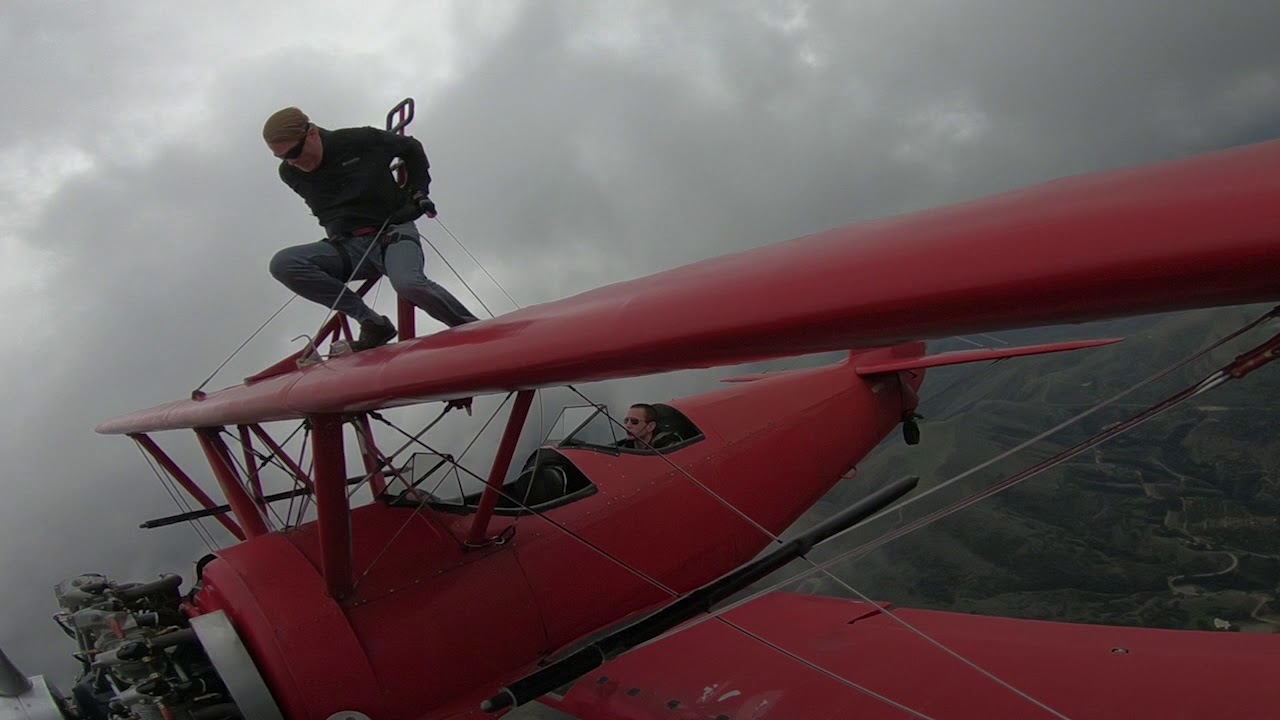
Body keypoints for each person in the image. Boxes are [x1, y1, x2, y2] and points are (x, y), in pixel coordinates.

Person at [262, 106, 479, 352]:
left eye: (295, 151)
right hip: (348, 248)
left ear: (312, 133)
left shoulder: (359, 141)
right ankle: (371, 322)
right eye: (283, 158)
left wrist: (418, 192)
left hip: (391, 234)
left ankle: (476, 332)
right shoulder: (290, 173)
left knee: (408, 284)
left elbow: (411, 147)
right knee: (283, 263)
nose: (294, 162)